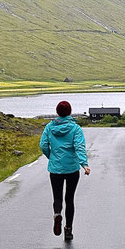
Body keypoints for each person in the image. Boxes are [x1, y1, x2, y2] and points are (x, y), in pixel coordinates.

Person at [39, 100, 90, 241]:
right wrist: (84, 164)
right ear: (70, 112)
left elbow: (43, 145)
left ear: (57, 112)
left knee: (57, 197)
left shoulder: (49, 127)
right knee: (69, 199)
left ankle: (57, 213)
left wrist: (52, 157)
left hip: (55, 169)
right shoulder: (75, 129)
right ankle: (68, 230)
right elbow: (79, 146)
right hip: (72, 168)